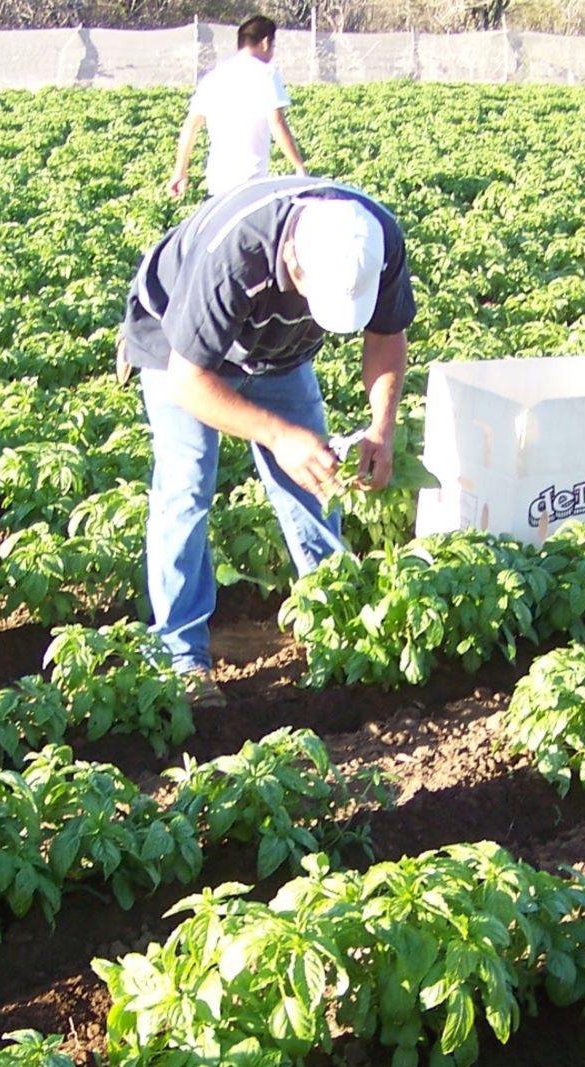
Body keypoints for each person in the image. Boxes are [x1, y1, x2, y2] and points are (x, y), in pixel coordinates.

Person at [118, 176, 414, 703]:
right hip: (176, 345)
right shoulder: (235, 255)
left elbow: (387, 336)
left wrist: (380, 428)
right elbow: (189, 380)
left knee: (317, 479)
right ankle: (180, 657)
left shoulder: (374, 239)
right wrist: (277, 435)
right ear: (294, 261)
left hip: (278, 350)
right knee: (186, 487)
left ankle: (334, 624)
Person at [168, 15, 308, 200]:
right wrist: (299, 167)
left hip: (217, 185)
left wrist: (180, 172)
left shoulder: (214, 76)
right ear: (265, 43)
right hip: (251, 185)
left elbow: (191, 126)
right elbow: (277, 123)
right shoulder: (266, 73)